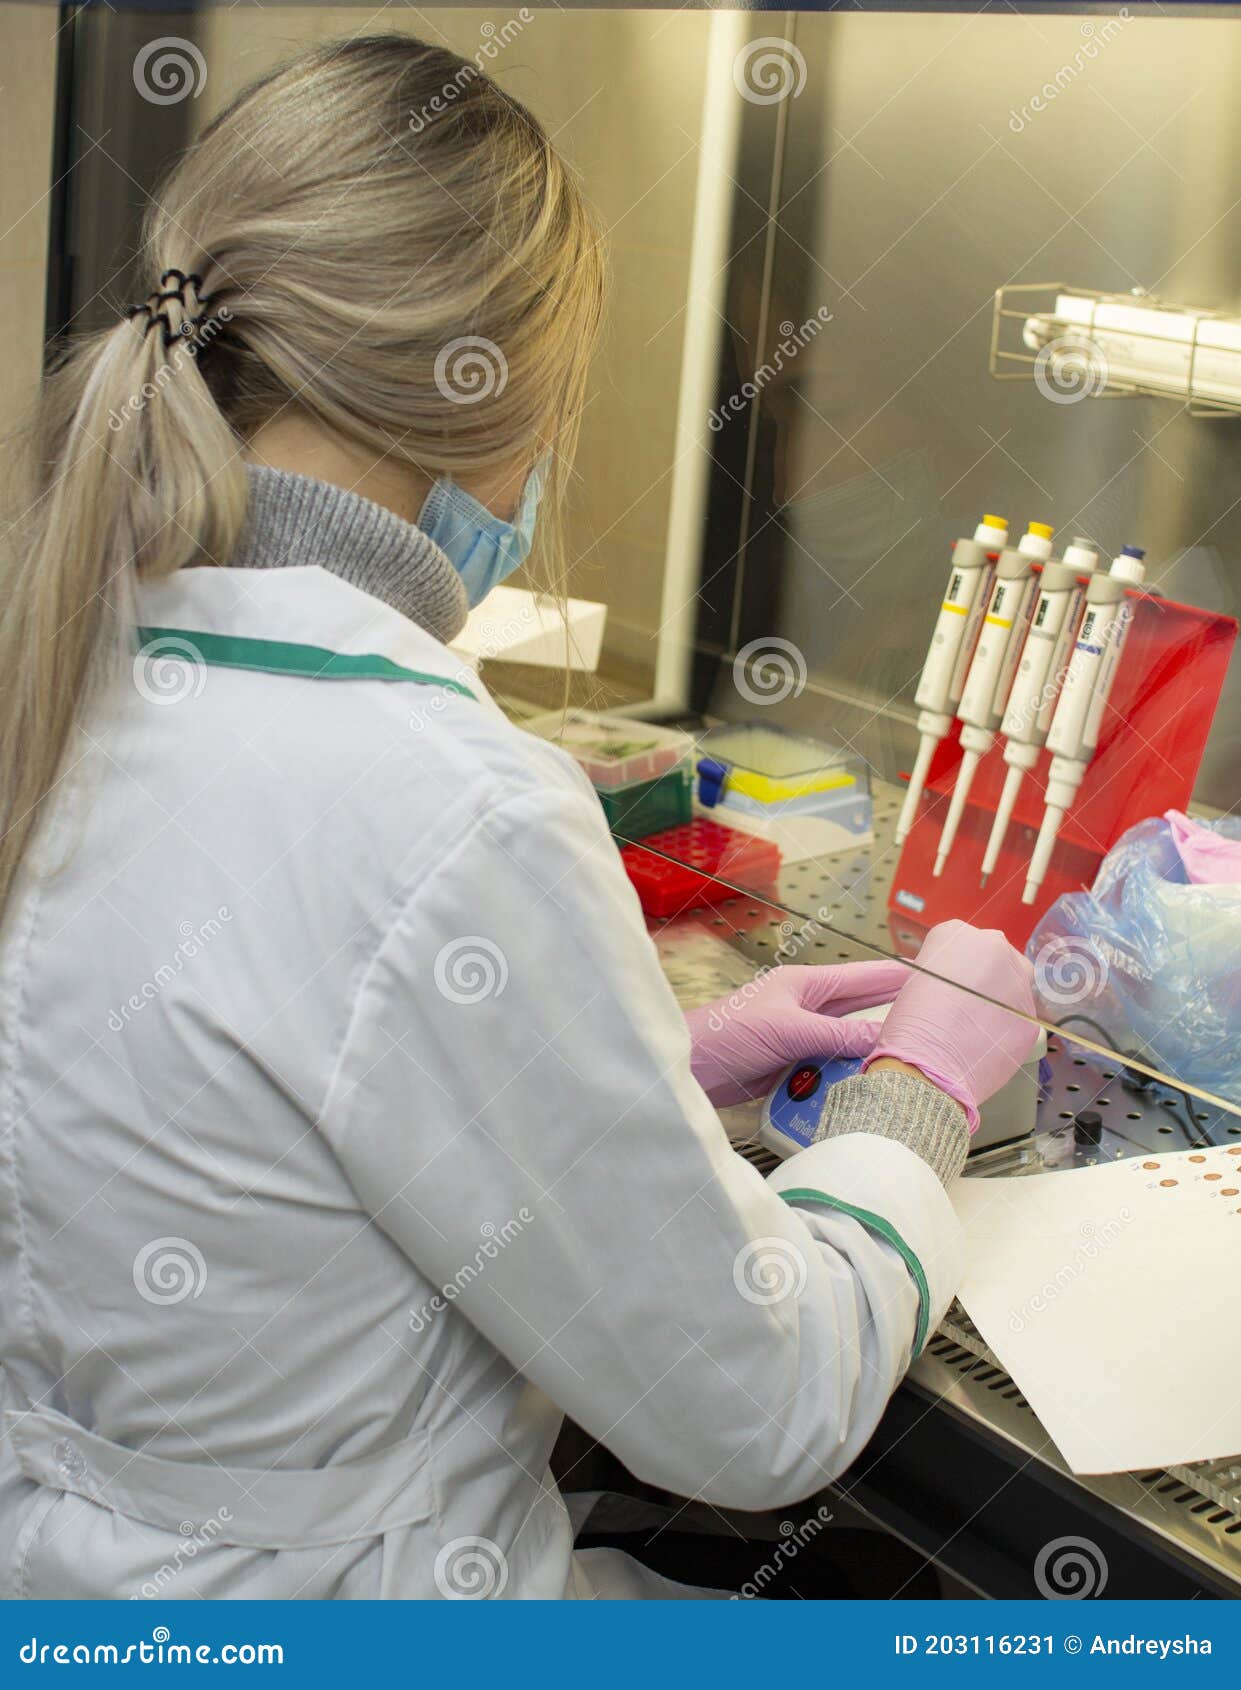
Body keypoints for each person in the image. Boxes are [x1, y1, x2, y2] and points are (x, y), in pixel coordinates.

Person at [0, 34, 1035, 1601]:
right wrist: (923, 1096)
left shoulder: (74, 657)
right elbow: (756, 1406)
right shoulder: (449, 799)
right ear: (490, 395)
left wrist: (651, 1070)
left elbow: (231, 1137)